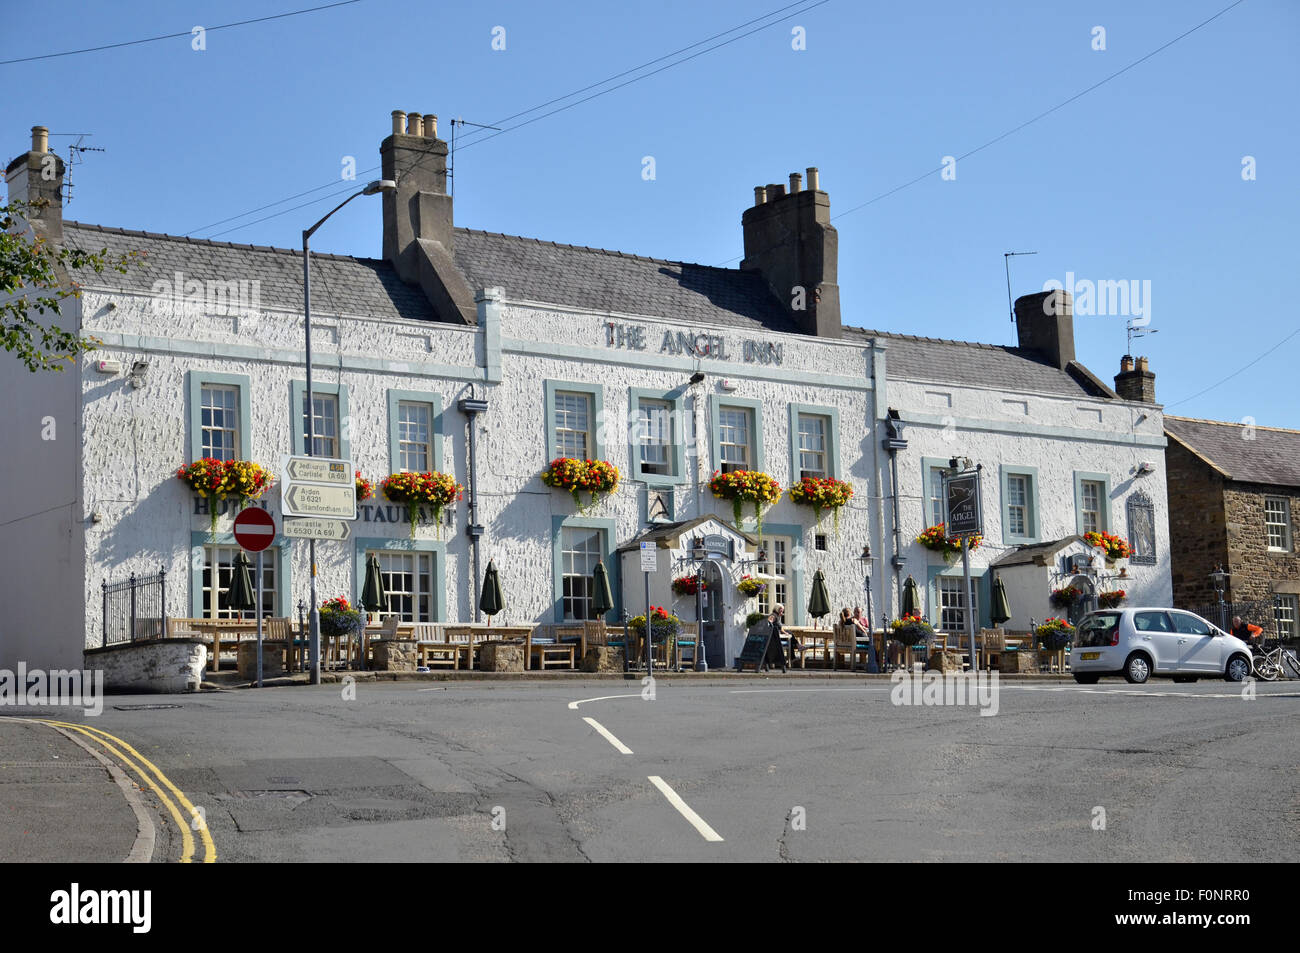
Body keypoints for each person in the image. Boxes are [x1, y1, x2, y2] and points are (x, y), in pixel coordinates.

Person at [762, 603, 788, 673]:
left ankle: (796, 647)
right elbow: (769, 622)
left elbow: (780, 628)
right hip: (773, 638)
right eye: (781, 611)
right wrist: (771, 627)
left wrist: (785, 632)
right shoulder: (773, 615)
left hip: (777, 636)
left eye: (782, 611)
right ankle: (796, 649)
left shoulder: (778, 616)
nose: (782, 613)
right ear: (777, 609)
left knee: (791, 635)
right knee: (790, 639)